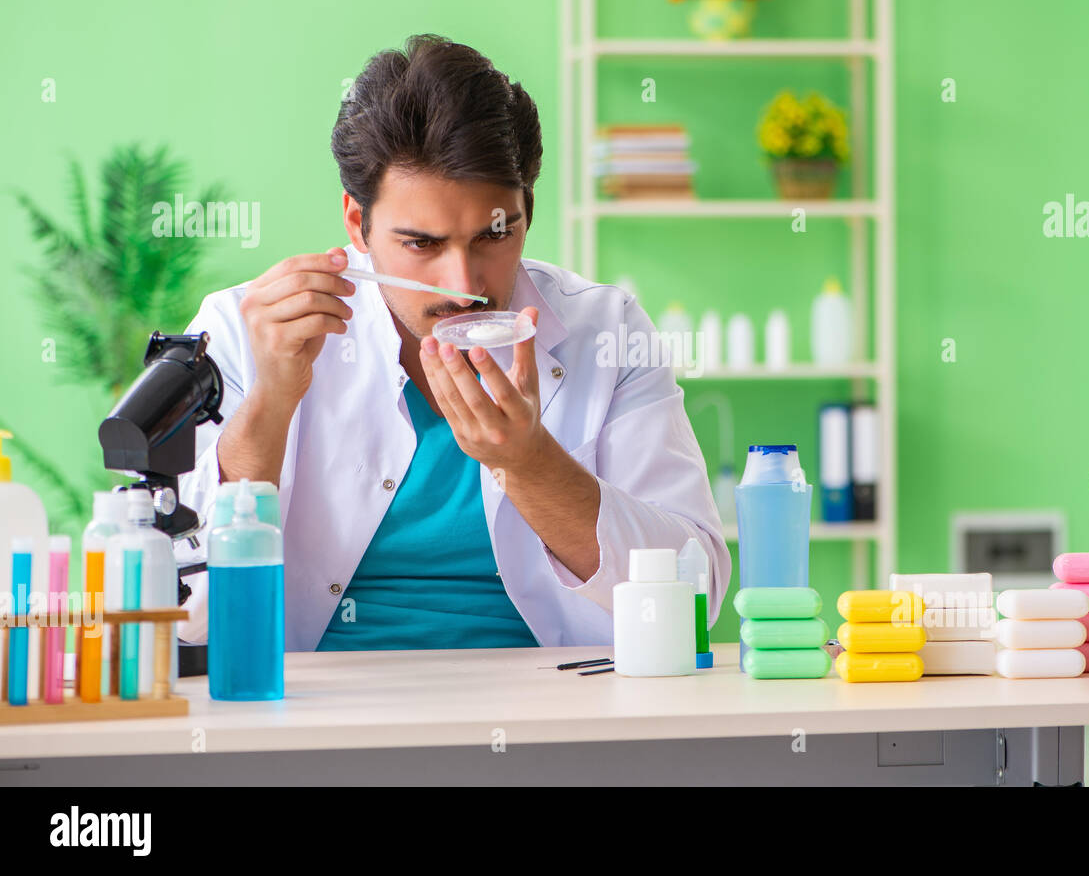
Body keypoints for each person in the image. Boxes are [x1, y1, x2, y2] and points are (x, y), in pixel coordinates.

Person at [175, 34, 729, 652]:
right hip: (323, 713)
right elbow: (187, 604)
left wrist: (528, 464)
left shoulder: (607, 330)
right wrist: (272, 402)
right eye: (423, 244)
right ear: (358, 223)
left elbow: (693, 585)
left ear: (527, 213)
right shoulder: (246, 327)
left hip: (553, 713)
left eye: (494, 237)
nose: (464, 287)